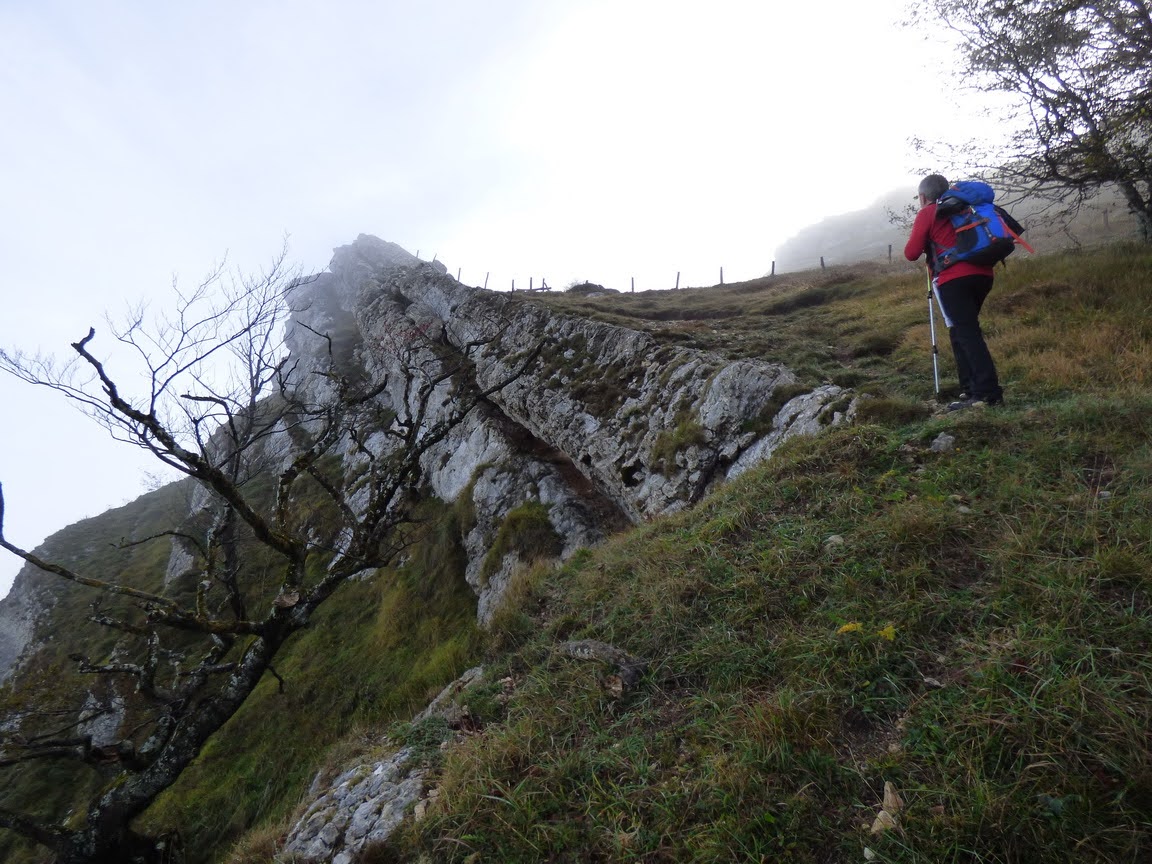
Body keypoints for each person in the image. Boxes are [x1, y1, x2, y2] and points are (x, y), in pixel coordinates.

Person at [905, 173, 1003, 410]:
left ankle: (987, 395)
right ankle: (970, 388)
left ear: (922, 196)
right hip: (983, 273)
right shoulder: (966, 208)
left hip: (953, 278)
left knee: (967, 332)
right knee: (960, 331)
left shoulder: (928, 212)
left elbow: (911, 253)